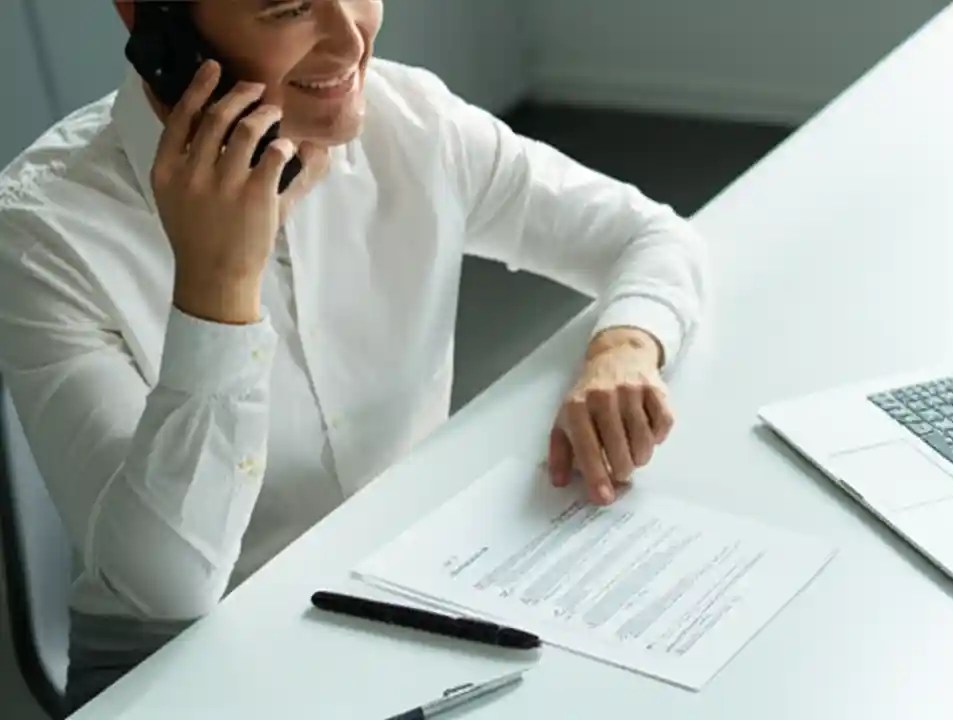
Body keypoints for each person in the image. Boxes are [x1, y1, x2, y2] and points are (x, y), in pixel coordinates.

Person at [0, 0, 707, 711]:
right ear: (150, 18)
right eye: (290, 8)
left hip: (409, 605)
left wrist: (623, 346)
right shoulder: (41, 233)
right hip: (179, 679)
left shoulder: (412, 121)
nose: (351, 39)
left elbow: (650, 236)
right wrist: (218, 293)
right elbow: (165, 592)